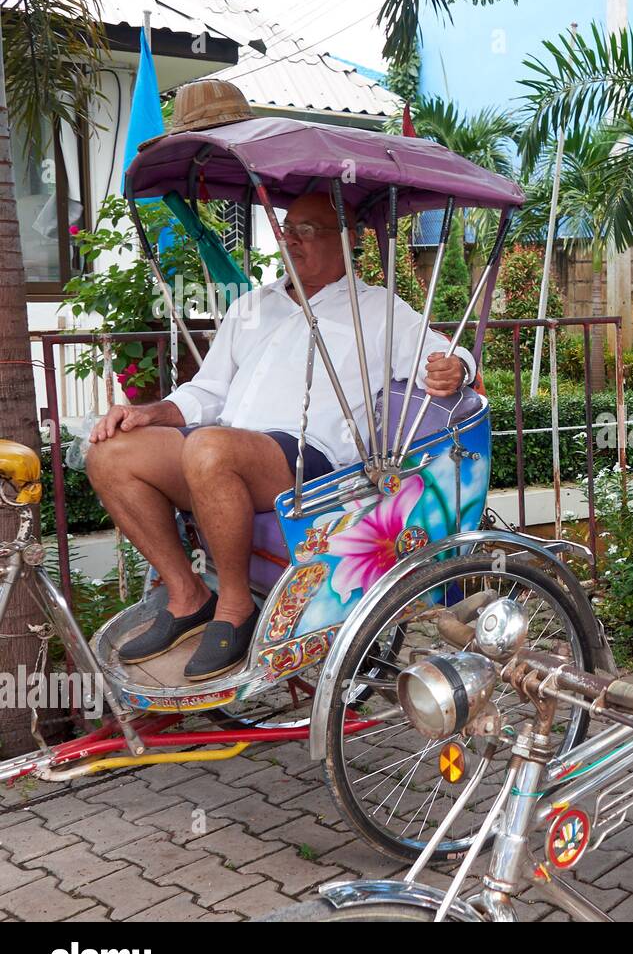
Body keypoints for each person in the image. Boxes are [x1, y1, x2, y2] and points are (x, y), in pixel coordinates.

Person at [85, 192, 475, 682]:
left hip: (310, 465)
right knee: (110, 452)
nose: (291, 238)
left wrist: (454, 367)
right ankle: (188, 595)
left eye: (308, 230)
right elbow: (208, 390)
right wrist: (150, 413)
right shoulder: (254, 304)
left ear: (347, 240)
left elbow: (439, 356)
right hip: (221, 452)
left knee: (209, 447)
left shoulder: (378, 310)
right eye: (287, 228)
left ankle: (235, 608)